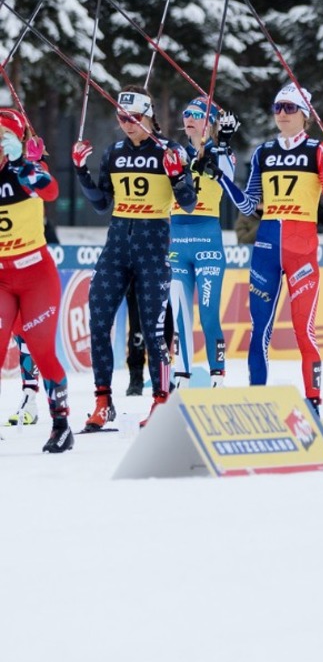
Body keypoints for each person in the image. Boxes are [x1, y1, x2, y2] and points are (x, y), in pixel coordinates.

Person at [214, 82, 323, 412]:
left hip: (302, 250)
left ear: (305, 115)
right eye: (277, 107)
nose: (282, 114)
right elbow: (248, 205)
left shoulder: (317, 150)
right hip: (266, 247)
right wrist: (223, 178)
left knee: (304, 331)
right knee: (259, 330)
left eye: (289, 108)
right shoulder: (263, 152)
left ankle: (313, 401)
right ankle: (257, 400)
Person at [73, 86, 195, 429]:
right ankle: (103, 401)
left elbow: (188, 202)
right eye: (122, 118)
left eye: (134, 118)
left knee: (154, 330)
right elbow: (102, 204)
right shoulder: (113, 153)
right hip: (116, 247)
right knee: (98, 322)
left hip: (152, 247)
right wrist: (81, 172)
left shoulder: (170, 150)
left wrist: (177, 175)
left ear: (149, 115)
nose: (127, 124)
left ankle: (161, 400)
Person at [0, 108, 73, 451]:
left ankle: (61, 425)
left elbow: (52, 191)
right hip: (2, 278)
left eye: (4, 137)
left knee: (42, 351)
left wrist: (25, 164)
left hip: (35, 275)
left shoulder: (27, 171)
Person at [169, 97, 236, 390]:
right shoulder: (175, 152)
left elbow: (230, 181)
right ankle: (182, 377)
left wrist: (223, 146)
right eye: (186, 114)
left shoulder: (220, 152)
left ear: (209, 123)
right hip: (177, 241)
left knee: (208, 314)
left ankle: (217, 375)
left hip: (207, 240)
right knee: (180, 315)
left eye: (196, 115)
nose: (189, 119)